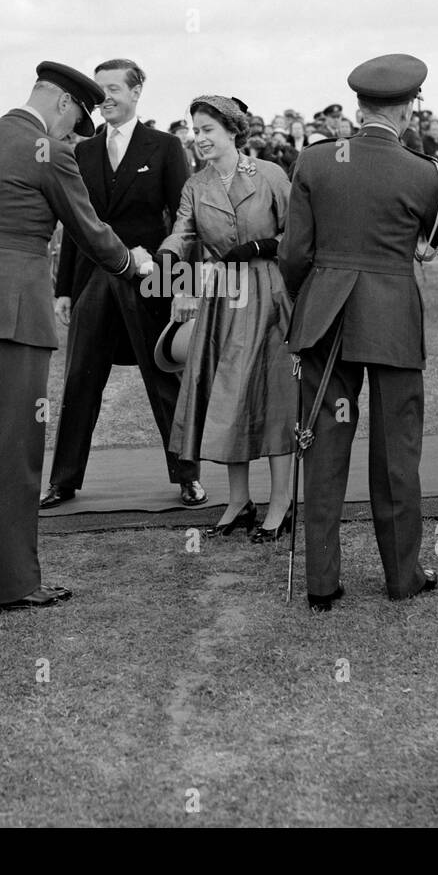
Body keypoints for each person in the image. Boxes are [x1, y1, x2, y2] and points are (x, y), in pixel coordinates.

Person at [0, 61, 151, 613]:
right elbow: (88, 230)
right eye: (75, 122)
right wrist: (131, 266)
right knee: (13, 450)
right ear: (64, 104)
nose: (72, 135)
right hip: (16, 313)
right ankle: (11, 584)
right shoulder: (49, 150)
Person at [281, 54, 438, 612]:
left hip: (327, 318)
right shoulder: (422, 172)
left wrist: (309, 302)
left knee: (323, 450)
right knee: (397, 453)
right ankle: (403, 576)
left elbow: (293, 255)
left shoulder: (316, 161)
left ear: (358, 107)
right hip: (392, 320)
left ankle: (322, 583)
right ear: (409, 108)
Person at [41, 58, 206, 509]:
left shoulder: (166, 146)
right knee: (80, 381)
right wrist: (63, 290)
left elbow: (185, 223)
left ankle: (187, 475)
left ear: (137, 93)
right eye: (101, 89)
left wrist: (184, 286)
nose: (106, 97)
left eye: (115, 88)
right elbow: (77, 225)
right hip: (95, 281)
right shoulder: (82, 152)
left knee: (163, 378)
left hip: (152, 280)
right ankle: (64, 480)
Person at [156, 95, 296, 542]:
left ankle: (281, 503)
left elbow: (298, 233)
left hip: (270, 295)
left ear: (233, 131)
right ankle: (239, 501)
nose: (199, 139)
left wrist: (261, 247)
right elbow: (183, 231)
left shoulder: (270, 175)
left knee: (273, 397)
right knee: (229, 397)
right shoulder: (196, 186)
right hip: (222, 299)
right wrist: (165, 258)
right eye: (194, 131)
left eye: (207, 130)